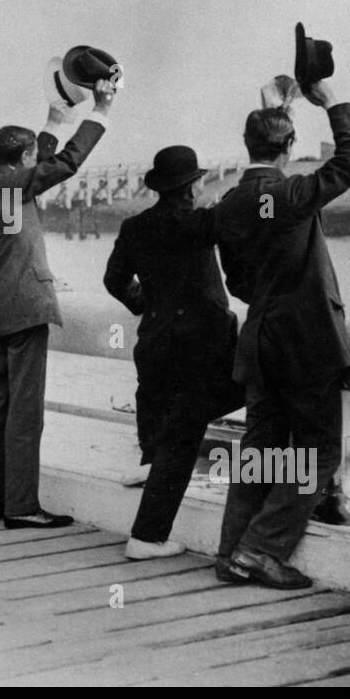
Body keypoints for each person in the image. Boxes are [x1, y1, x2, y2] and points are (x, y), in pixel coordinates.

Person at [211, 78, 350, 588]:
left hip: (259, 341)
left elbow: (237, 282)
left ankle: (231, 552)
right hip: (305, 344)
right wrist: (331, 101)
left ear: (248, 145)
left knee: (259, 452)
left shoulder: (229, 203)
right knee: (318, 451)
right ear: (289, 147)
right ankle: (260, 550)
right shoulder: (290, 194)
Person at [0, 78, 116, 528]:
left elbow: (39, 164)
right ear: (23, 159)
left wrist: (53, 123)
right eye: (33, 155)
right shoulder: (14, 187)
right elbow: (65, 163)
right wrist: (100, 111)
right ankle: (21, 506)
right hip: (24, 310)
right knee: (25, 412)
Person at [104, 146, 246, 559]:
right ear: (193, 186)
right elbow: (238, 218)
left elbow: (114, 279)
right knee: (190, 431)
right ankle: (146, 537)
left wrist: (146, 303)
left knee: (167, 418)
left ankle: (153, 460)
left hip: (156, 341)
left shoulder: (134, 226)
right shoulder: (199, 224)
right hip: (200, 348)